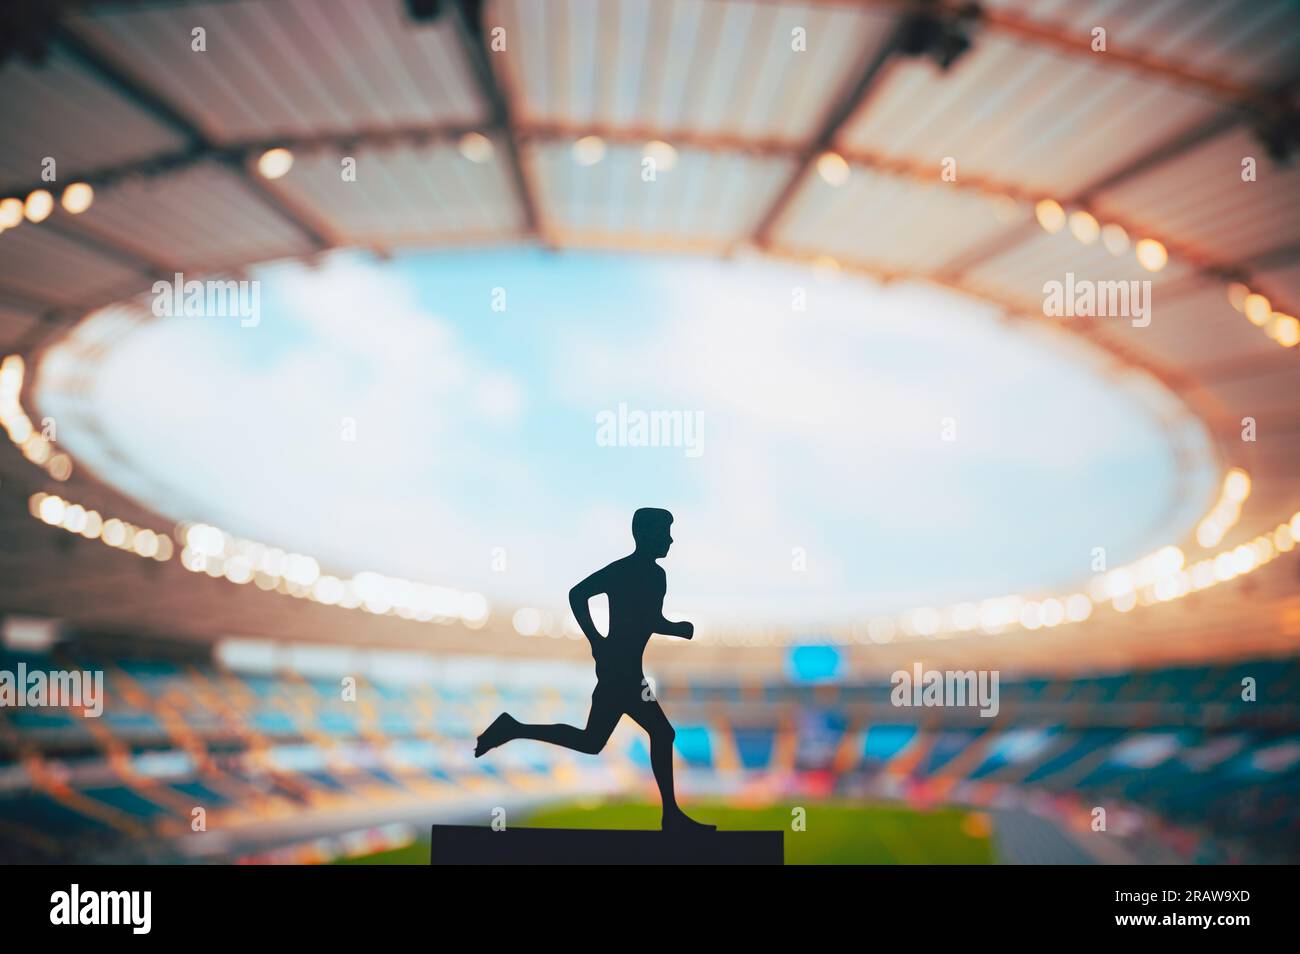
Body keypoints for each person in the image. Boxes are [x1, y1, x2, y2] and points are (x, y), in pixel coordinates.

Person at [475, 507, 714, 832]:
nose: (671, 540)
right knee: (662, 733)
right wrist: (596, 640)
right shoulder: (621, 570)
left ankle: (513, 728)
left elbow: (648, 619)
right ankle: (670, 817)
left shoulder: (659, 577)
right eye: (665, 533)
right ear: (645, 535)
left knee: (592, 741)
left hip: (630, 671)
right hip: (619, 670)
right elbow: (577, 594)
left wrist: (675, 628)